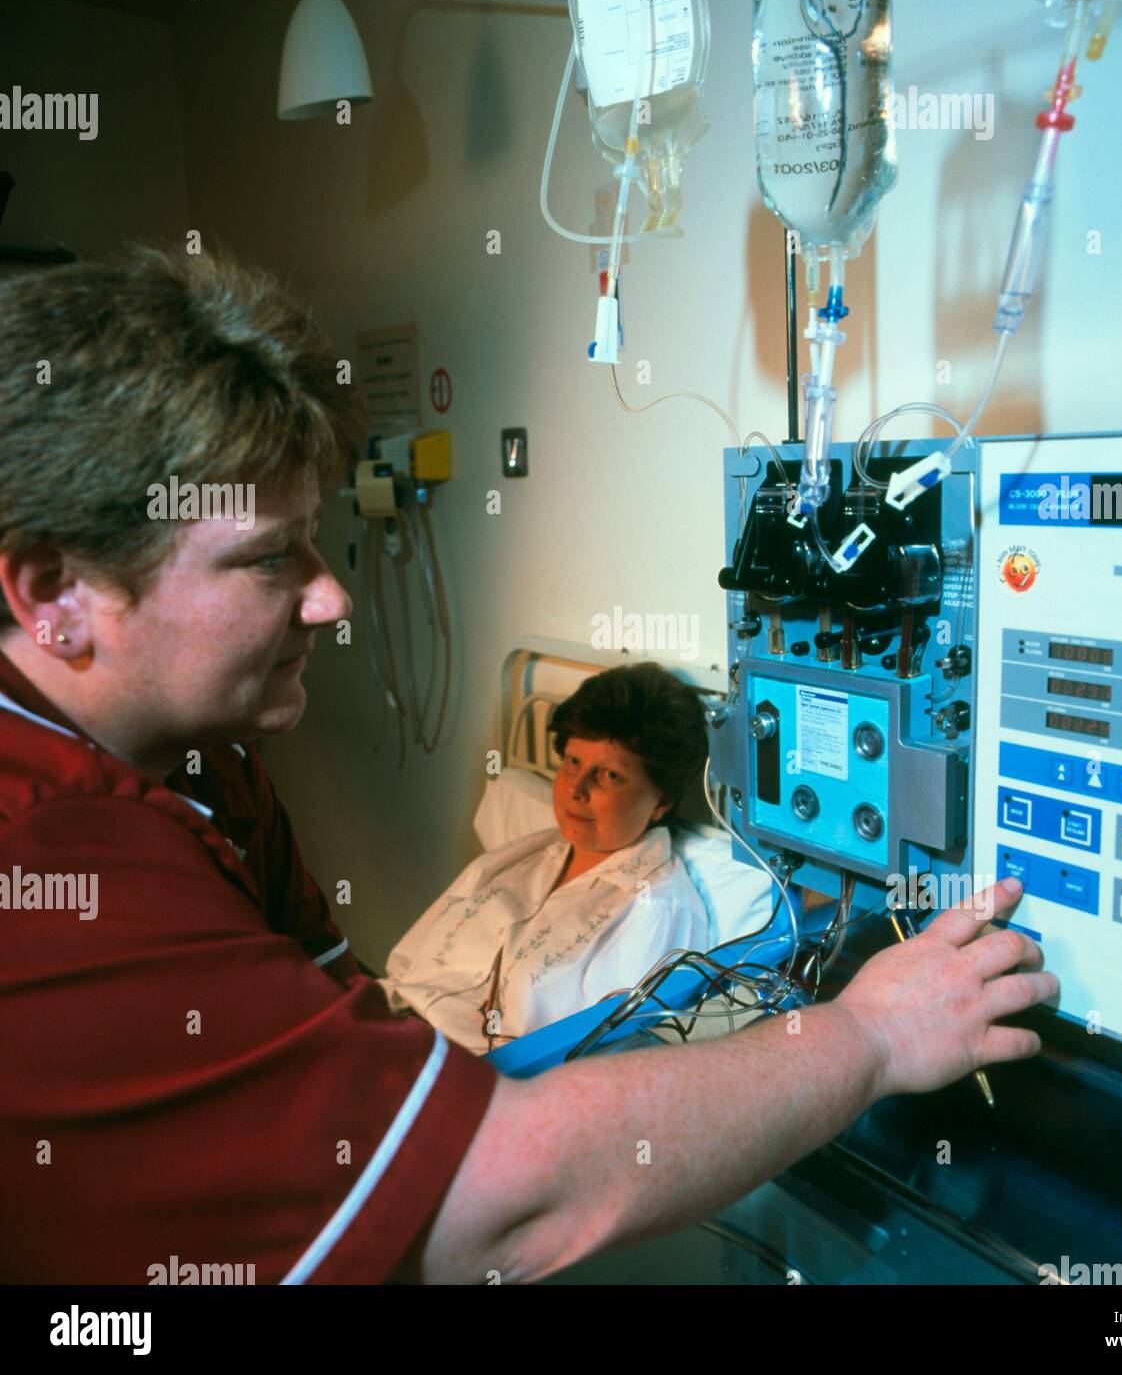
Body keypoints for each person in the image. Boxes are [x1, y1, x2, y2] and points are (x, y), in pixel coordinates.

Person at [0, 245, 1056, 1285]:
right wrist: (868, 1036)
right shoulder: (54, 871)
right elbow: (499, 1197)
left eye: (314, 541)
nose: (333, 598)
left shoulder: (205, 765)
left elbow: (361, 1026)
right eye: (271, 556)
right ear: (54, 596)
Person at [381, 664, 713, 1052]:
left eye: (609, 775)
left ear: (662, 802)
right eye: (573, 762)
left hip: (473, 1078)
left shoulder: (655, 908)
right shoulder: (520, 854)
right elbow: (404, 965)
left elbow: (600, 1058)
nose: (576, 789)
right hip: (390, 1025)